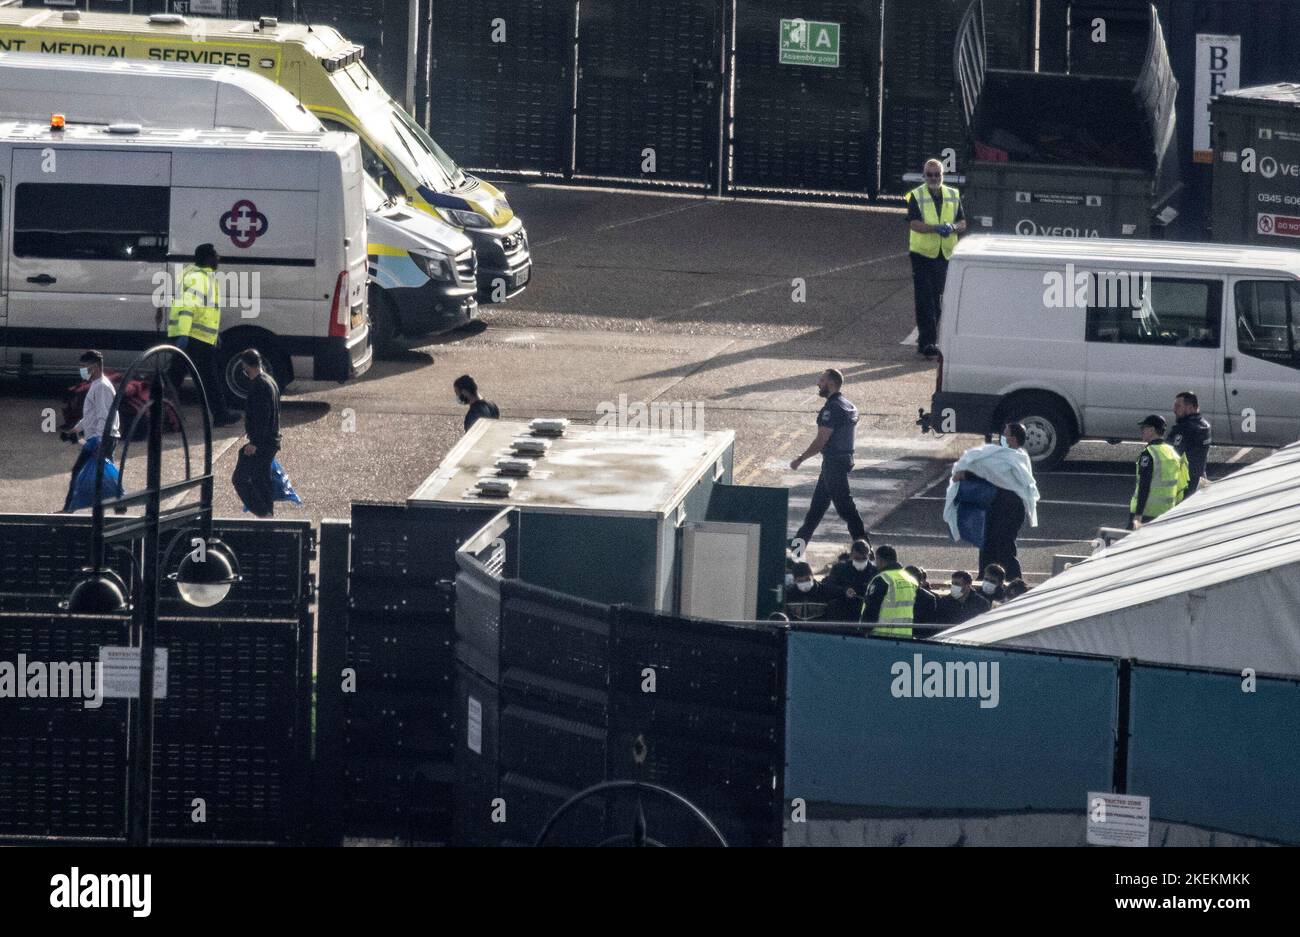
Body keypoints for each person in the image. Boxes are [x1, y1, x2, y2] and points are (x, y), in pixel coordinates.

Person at [948, 422, 1039, 580]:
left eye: (1005, 434)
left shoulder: (1014, 457)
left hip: (1010, 508)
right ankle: (984, 577)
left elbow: (995, 475)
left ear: (1013, 438)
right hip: (996, 506)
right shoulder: (1007, 455)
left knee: (1003, 546)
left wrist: (966, 475)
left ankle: (1013, 579)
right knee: (987, 543)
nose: (1001, 437)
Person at [790, 368, 868, 551]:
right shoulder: (848, 405)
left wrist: (800, 459)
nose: (818, 383)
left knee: (846, 510)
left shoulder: (832, 409)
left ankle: (867, 552)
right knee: (815, 511)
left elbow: (821, 440)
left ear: (831, 383)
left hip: (834, 464)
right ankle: (797, 549)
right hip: (839, 462)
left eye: (821, 380)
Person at [166, 243, 239, 425]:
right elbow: (187, 308)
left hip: (196, 337)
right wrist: (184, 334)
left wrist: (215, 334)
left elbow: (206, 312)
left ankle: (157, 412)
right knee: (208, 378)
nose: (218, 258)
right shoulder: (199, 278)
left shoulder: (203, 277)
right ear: (208, 258)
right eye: (216, 255)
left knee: (176, 377)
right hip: (193, 338)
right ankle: (220, 415)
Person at [906, 158, 966, 358]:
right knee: (925, 299)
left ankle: (926, 336)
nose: (933, 178)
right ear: (924, 176)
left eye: (937, 174)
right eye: (929, 175)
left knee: (938, 299)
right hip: (922, 254)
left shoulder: (953, 194)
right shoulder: (916, 195)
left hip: (944, 254)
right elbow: (914, 223)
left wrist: (953, 228)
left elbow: (963, 222)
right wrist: (935, 229)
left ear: (942, 175)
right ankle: (927, 342)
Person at [61, 351, 120, 513]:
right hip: (103, 437)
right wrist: (76, 429)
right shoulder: (97, 384)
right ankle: (119, 504)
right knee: (105, 473)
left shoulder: (101, 386)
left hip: (101, 438)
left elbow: (104, 415)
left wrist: (100, 441)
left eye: (83, 367)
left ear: (94, 367)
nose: (81, 370)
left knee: (79, 471)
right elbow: (91, 415)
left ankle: (68, 510)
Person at [231, 349, 281, 518]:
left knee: (240, 479)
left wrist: (255, 443)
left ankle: (263, 512)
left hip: (262, 443)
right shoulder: (270, 381)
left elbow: (262, 417)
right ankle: (268, 515)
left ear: (246, 365)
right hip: (271, 442)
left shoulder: (259, 386)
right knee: (262, 480)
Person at [1129, 414, 1189, 529]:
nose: (1141, 431)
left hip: (1147, 511)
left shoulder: (1149, 454)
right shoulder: (1172, 452)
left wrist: (1138, 514)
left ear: (1152, 430)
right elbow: (1181, 483)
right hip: (1166, 511)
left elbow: (1144, 485)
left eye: (1144, 428)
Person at [859, 545, 918, 638]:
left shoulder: (882, 579)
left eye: (876, 560)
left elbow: (872, 609)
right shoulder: (910, 579)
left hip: (882, 636)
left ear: (880, 560)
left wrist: (863, 630)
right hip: (905, 636)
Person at [1168, 391, 1211, 500]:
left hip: (1182, 484)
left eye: (1178, 406)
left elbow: (1170, 455)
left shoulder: (1184, 429)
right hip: (1200, 479)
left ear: (1190, 408)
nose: (1174, 410)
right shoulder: (1205, 426)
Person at [821, 539, 876, 620]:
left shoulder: (875, 571)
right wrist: (844, 590)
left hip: (866, 612)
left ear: (868, 556)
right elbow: (829, 587)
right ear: (851, 555)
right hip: (843, 611)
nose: (860, 561)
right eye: (857, 558)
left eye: (864, 558)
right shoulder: (839, 569)